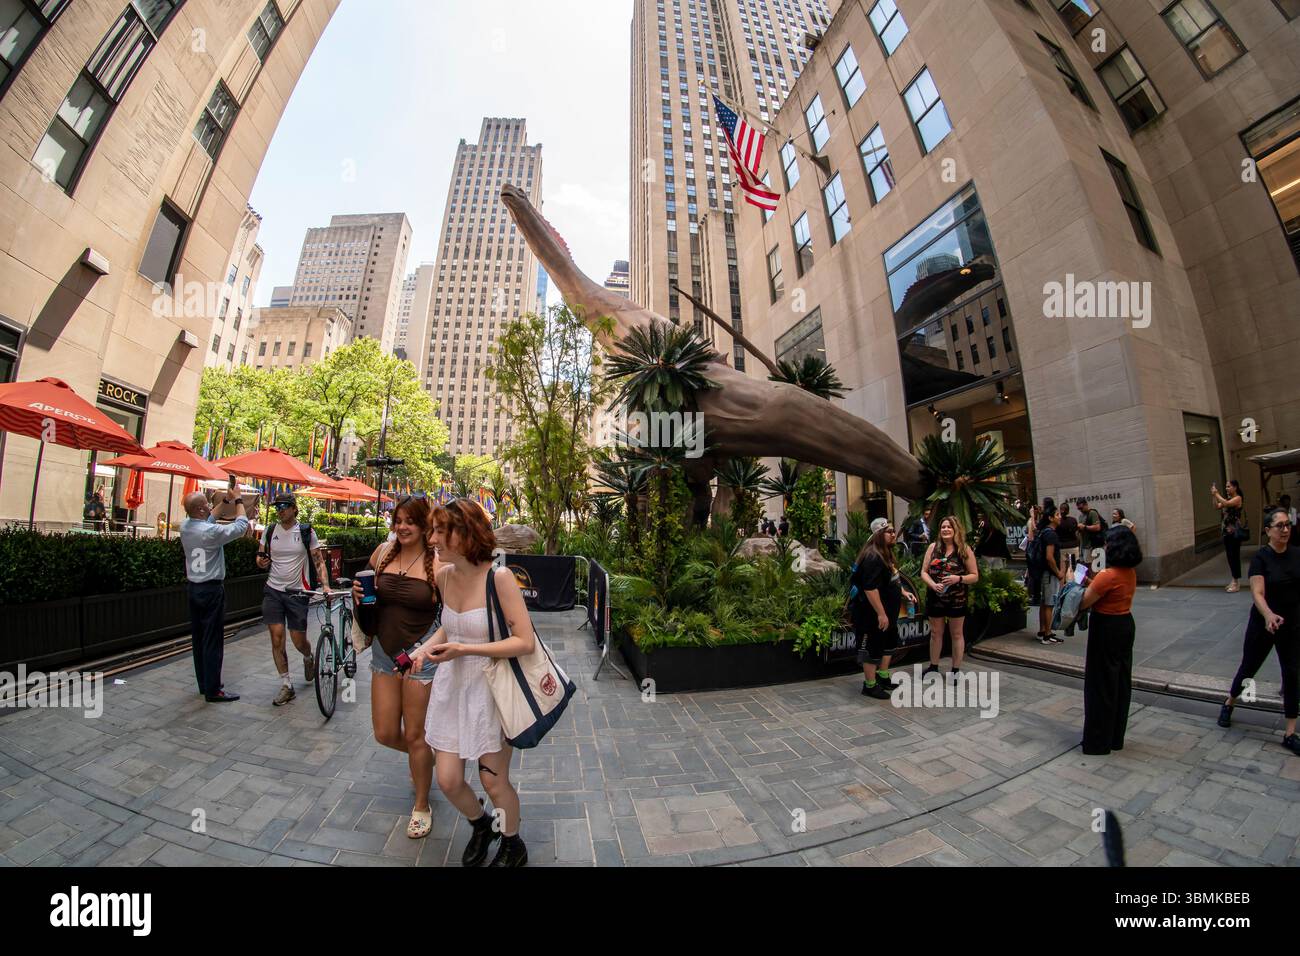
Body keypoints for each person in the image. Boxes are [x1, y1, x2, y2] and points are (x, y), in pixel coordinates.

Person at [409, 499, 537, 867]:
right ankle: (482, 825)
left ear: (465, 535)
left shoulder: (499, 578)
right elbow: (451, 625)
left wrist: (464, 649)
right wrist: (421, 650)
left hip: (491, 690)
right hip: (453, 687)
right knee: (448, 779)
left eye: (439, 531)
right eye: (432, 530)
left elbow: (524, 641)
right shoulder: (445, 575)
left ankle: (513, 845)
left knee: (493, 781)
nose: (431, 539)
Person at [350, 497, 444, 839]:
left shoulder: (438, 562)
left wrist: (424, 652)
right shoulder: (382, 553)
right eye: (398, 520)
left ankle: (422, 804)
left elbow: (448, 616)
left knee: (416, 734)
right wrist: (357, 592)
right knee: (386, 732)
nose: (402, 527)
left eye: (410, 521)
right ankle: (426, 761)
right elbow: (366, 600)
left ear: (424, 526)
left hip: (419, 658)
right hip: (383, 654)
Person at [1218, 508, 1300, 756]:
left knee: (1292, 673)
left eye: (1287, 525)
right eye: (1279, 526)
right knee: (1249, 668)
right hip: (1263, 623)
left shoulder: (1297, 554)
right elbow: (1257, 593)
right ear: (1268, 531)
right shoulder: (1261, 558)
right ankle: (1230, 702)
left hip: (1291, 624)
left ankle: (1290, 732)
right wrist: (1268, 615)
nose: (1285, 530)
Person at [257, 494, 330, 706]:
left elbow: (318, 561)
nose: (280, 510)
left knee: (298, 640)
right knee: (277, 638)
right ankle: (287, 685)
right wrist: (261, 562)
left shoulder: (306, 532)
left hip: (298, 592)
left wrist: (325, 584)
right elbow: (260, 555)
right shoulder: (270, 531)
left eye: (285, 506)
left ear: (294, 509)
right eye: (277, 506)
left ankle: (308, 657)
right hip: (273, 590)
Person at [179, 491, 249, 703]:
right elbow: (241, 526)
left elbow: (208, 518)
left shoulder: (186, 527)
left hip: (194, 588)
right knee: (212, 640)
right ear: (200, 509)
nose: (211, 506)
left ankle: (204, 683)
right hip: (211, 590)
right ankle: (214, 689)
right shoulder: (210, 533)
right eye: (207, 504)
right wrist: (238, 501)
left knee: (199, 639)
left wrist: (224, 501)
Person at [1079, 526, 1143, 755]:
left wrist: (1072, 581)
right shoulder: (1129, 572)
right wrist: (1090, 582)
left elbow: (1084, 602)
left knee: (1101, 684)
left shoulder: (1108, 575)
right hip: (1125, 624)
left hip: (1105, 627)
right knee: (1120, 682)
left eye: (1107, 543)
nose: (1104, 547)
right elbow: (1103, 591)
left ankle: (1098, 740)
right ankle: (1115, 737)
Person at [851, 522, 917, 699]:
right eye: (889, 532)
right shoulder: (873, 556)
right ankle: (870, 685)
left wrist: (904, 592)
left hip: (889, 612)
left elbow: (893, 578)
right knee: (873, 646)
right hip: (872, 614)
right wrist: (881, 613)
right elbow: (870, 589)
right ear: (879, 534)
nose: (894, 534)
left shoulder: (886, 553)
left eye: (894, 531)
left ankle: (882, 676)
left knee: (888, 643)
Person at [921, 516, 980, 677]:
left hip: (957, 599)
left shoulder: (964, 549)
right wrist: (932, 585)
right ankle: (933, 666)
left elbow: (975, 576)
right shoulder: (933, 548)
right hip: (935, 597)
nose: (945, 529)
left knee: (956, 634)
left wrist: (958, 578)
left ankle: (955, 669)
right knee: (935, 633)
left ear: (956, 530)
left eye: (949, 527)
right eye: (943, 527)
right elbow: (924, 572)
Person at [1034, 506, 1066, 644]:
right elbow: (1049, 557)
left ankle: (1042, 631)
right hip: (1049, 573)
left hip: (1043, 572)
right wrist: (1058, 573)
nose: (1060, 517)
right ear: (1051, 518)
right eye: (1057, 514)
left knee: (1044, 603)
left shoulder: (1043, 532)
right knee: (1049, 604)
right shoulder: (1051, 534)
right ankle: (1047, 634)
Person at [1212, 480, 1246, 592]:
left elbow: (1226, 504)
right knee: (1230, 557)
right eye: (1226, 487)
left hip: (1234, 532)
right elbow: (1217, 506)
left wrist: (1217, 494)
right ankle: (1234, 579)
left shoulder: (1238, 498)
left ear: (1235, 487)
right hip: (1226, 532)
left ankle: (1236, 582)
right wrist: (1213, 496)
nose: (1226, 488)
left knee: (1234, 556)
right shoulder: (1227, 499)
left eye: (1228, 486)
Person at [1076, 498, 1104, 568]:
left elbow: (1098, 527)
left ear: (1086, 505)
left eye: (1081, 508)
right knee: (1087, 564)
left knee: (1094, 566)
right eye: (1078, 508)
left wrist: (1084, 527)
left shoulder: (1092, 513)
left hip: (1092, 544)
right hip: (1084, 544)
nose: (1080, 510)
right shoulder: (1081, 516)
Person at [1057, 501, 1080, 571]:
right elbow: (1077, 534)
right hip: (1073, 547)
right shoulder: (1073, 520)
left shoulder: (1057, 521)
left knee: (1063, 569)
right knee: (1073, 568)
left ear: (1060, 510)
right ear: (1068, 511)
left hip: (1062, 548)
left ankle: (1064, 581)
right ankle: (1073, 581)